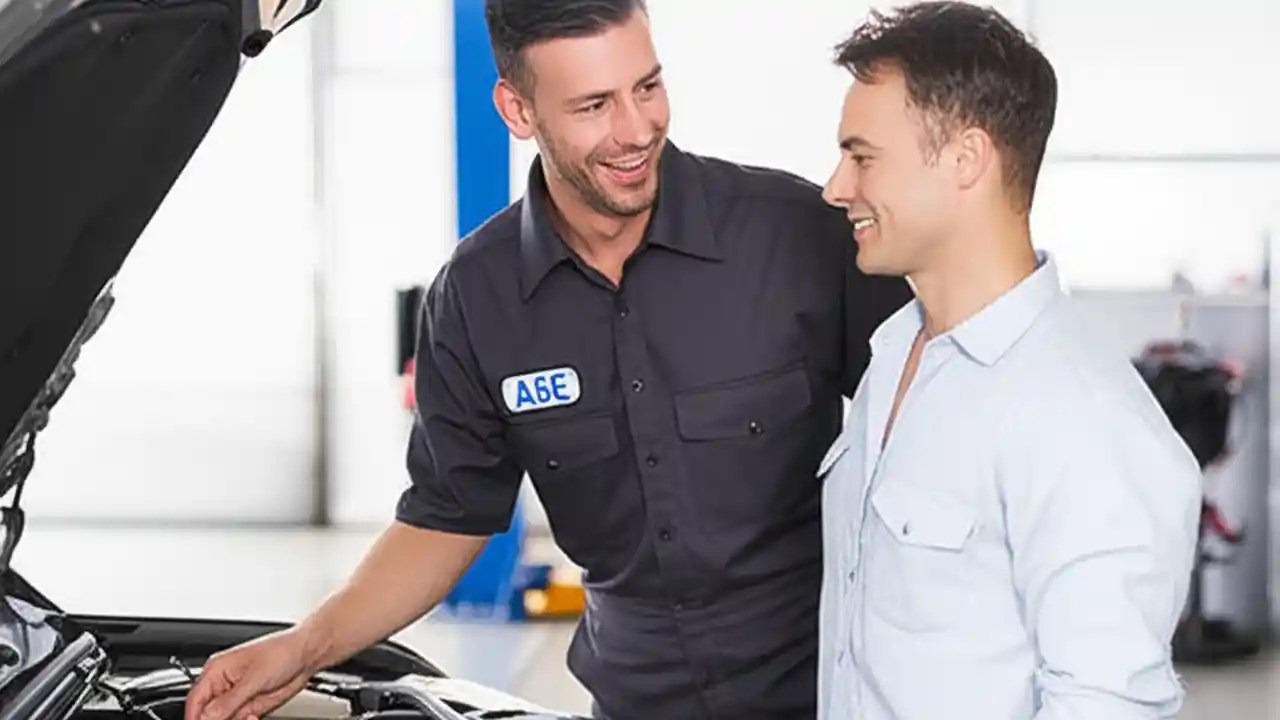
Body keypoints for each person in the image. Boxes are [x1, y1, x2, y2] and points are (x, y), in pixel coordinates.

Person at [184, 2, 911, 719]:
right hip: (633, 702)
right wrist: (303, 648)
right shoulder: (475, 300)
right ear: (517, 110)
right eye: (594, 105)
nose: (636, 130)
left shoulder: (797, 237)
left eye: (648, 87)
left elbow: (937, 428)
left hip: (831, 695)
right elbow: (445, 518)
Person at [813, 3, 1202, 719]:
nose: (837, 187)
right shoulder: (894, 355)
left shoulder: (1085, 420)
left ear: (966, 159)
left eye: (863, 157)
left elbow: (1105, 704)